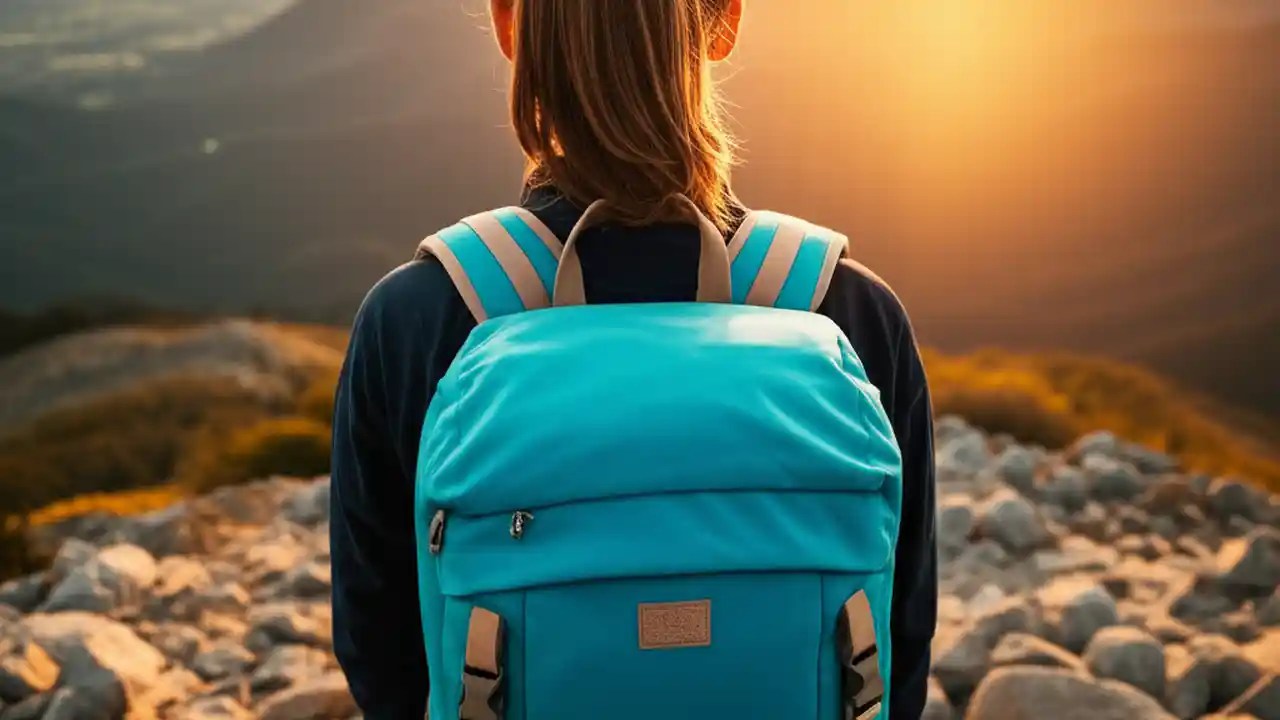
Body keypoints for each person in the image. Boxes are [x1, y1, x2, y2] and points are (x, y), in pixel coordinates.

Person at [330, 0, 937, 717]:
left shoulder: (416, 321)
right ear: (726, 20)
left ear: (507, 24)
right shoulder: (849, 315)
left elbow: (384, 658)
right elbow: (899, 650)